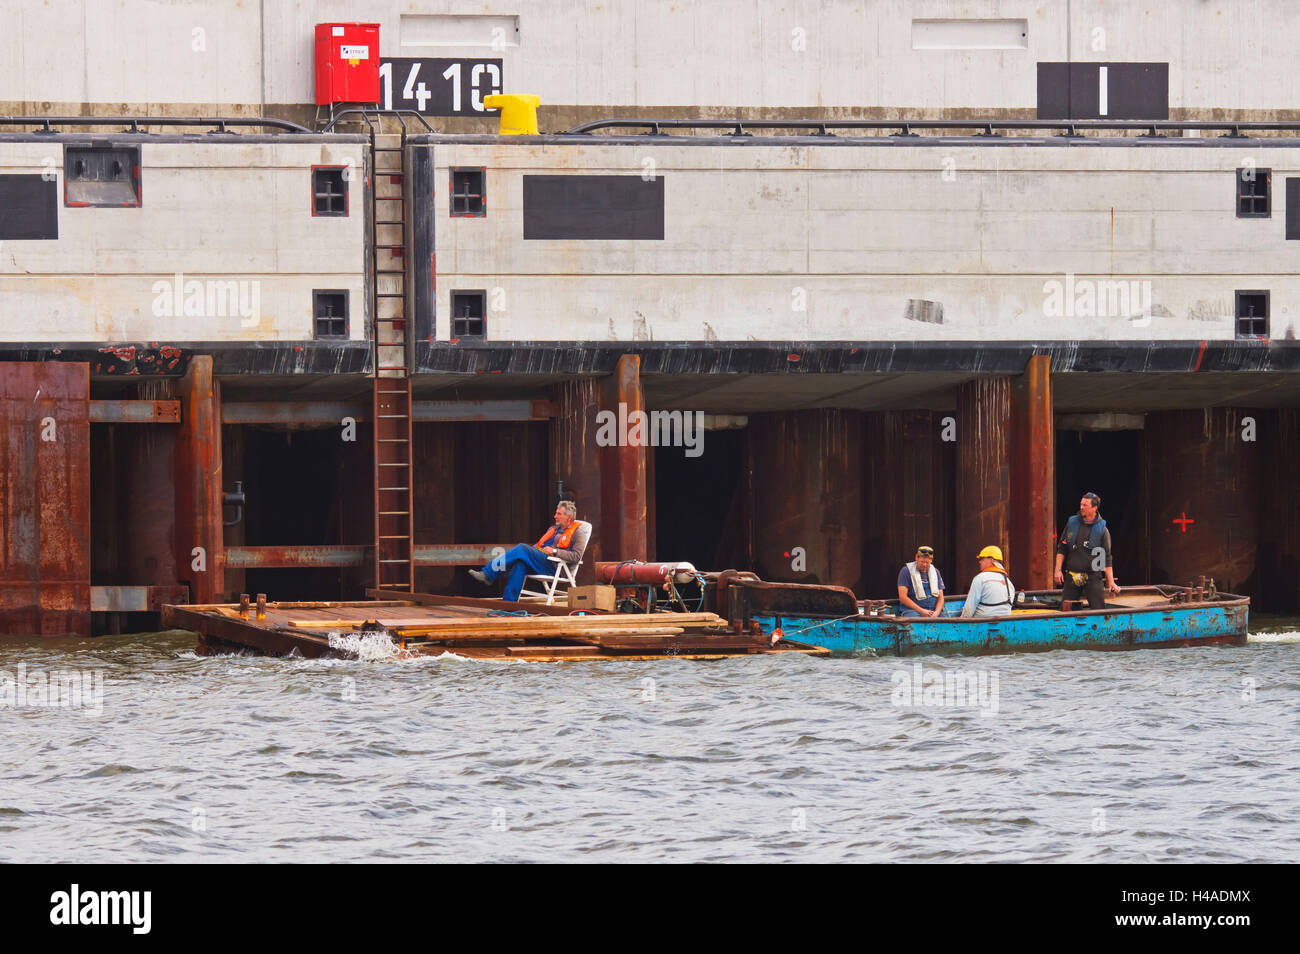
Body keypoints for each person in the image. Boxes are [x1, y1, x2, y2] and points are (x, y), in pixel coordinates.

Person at [469, 500, 592, 601]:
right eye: (556, 513)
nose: (555, 516)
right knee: (519, 563)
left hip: (556, 567)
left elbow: (577, 556)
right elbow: (539, 546)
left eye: (559, 514)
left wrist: (555, 552)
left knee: (522, 548)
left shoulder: (578, 532)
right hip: (542, 561)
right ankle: (509, 604)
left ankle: (488, 574)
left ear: (569, 517)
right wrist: (532, 550)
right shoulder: (553, 529)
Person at [1054, 491, 1120, 610]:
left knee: (1098, 611)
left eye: (1085, 505)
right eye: (1081, 504)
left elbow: (1107, 558)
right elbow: (1062, 548)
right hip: (1072, 576)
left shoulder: (1102, 530)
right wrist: (1057, 570)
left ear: (1094, 508)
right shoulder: (1072, 523)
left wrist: (1111, 581)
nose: (1081, 507)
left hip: (1093, 576)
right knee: (1065, 610)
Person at [960, 545, 1016, 618]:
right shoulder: (1009, 583)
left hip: (981, 624)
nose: (979, 562)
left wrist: (961, 622)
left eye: (982, 559)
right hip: (1004, 623)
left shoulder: (980, 579)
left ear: (992, 560)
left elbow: (969, 609)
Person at [897, 545, 946, 617]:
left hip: (932, 611)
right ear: (916, 557)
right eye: (922, 561)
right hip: (912, 611)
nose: (924, 564)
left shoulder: (936, 572)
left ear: (931, 560)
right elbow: (902, 597)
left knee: (945, 619)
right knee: (915, 618)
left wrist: (937, 612)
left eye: (927, 562)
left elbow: (941, 597)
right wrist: (921, 611)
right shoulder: (906, 571)